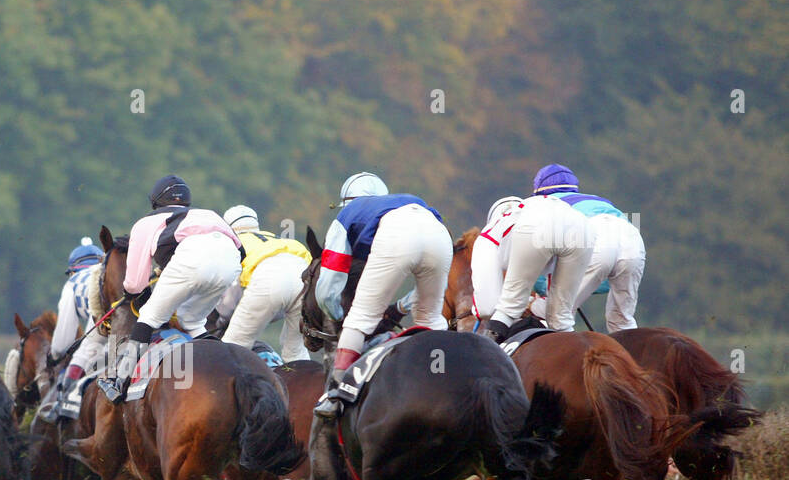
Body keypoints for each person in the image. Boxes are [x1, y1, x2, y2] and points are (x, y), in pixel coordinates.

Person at [313, 172, 452, 418]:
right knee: (430, 318)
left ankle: (336, 394)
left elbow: (328, 285)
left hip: (398, 236)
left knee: (361, 316)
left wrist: (337, 316)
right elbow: (417, 292)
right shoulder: (401, 202)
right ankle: (443, 376)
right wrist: (399, 307)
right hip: (439, 232)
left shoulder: (348, 214)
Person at [98, 175, 243, 403]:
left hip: (192, 260)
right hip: (231, 263)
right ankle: (225, 365)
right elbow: (240, 251)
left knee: (149, 317)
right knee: (192, 321)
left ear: (155, 201)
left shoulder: (146, 223)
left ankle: (119, 378)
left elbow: (135, 284)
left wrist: (131, 292)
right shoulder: (208, 214)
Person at [530, 164, 646, 333]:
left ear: (539, 192)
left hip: (592, 237)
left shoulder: (542, 205)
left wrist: (534, 300)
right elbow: (606, 280)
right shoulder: (597, 199)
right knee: (622, 321)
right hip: (632, 238)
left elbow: (538, 265)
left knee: (556, 315)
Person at [471, 190, 592, 343]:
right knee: (561, 319)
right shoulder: (526, 210)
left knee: (507, 310)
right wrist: (532, 304)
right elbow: (549, 302)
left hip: (535, 225)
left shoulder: (489, 234)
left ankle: (486, 361)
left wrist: (516, 306)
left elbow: (486, 308)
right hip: (582, 224)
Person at [217, 206, 311, 362]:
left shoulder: (232, 244)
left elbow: (228, 307)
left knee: (233, 348)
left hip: (270, 278)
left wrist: (221, 320)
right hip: (306, 283)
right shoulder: (278, 239)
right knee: (295, 352)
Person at [49, 238, 107, 393]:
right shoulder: (109, 271)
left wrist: (54, 355)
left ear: (73, 271)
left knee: (85, 353)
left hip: (103, 320)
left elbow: (63, 341)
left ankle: (66, 403)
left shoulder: (72, 283)